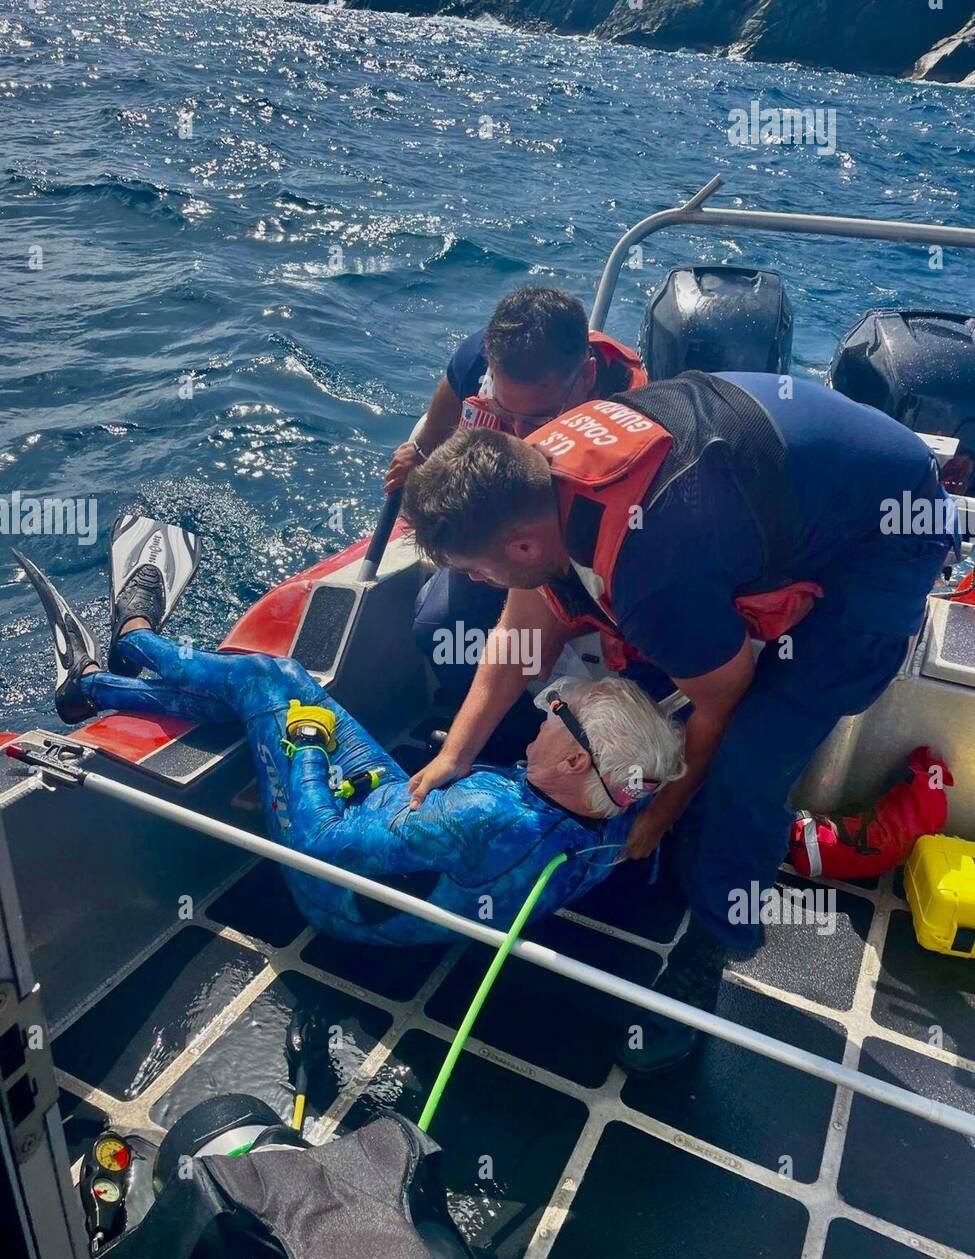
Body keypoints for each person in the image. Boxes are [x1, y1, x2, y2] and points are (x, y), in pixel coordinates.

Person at [401, 369, 956, 1073]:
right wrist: (456, 752)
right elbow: (521, 627)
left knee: (756, 753)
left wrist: (661, 812)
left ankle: (714, 945)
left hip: (887, 530)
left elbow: (722, 704)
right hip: (773, 478)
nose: (474, 583)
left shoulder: (653, 569)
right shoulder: (530, 480)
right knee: (660, 653)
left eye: (474, 570)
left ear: (520, 546)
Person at [15, 529, 685, 949]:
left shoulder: (483, 814)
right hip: (395, 823)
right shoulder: (619, 812)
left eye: (558, 710)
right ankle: (95, 685)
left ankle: (128, 644)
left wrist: (307, 745)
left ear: (574, 758)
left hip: (335, 895)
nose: (545, 708)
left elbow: (320, 847)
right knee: (274, 692)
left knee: (268, 679)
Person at [387, 286, 647, 703]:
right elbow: (455, 385)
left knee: (554, 658)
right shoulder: (483, 360)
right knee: (442, 631)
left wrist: (557, 620)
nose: (526, 437)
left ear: (587, 377)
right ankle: (496, 737)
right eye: (509, 416)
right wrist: (421, 452)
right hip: (498, 536)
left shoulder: (631, 415)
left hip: (575, 556)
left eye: (541, 417)